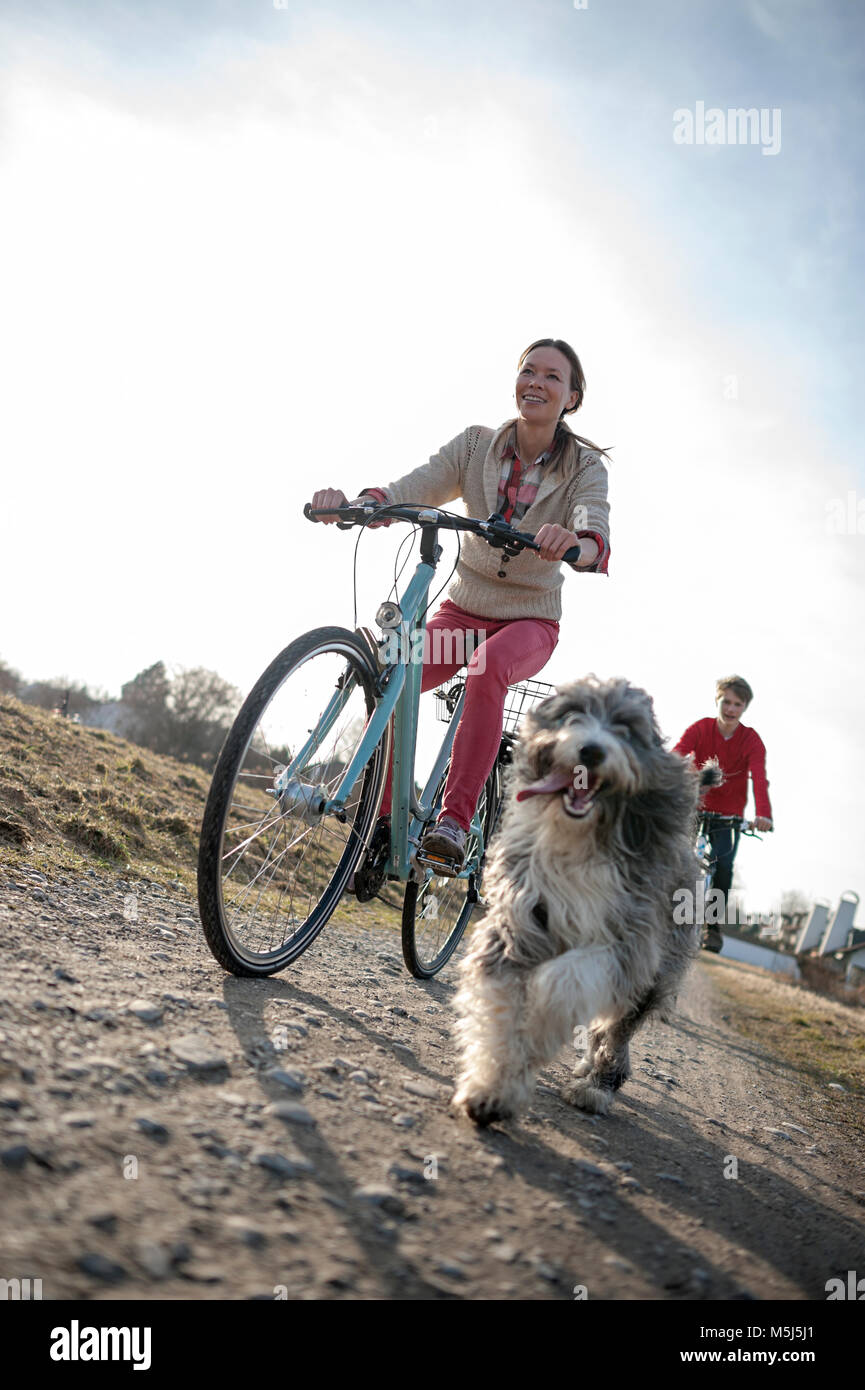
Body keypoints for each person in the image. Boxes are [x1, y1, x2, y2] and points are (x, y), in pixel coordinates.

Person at [309, 337, 611, 879]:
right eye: (528, 372)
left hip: (529, 621)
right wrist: (365, 504)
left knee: (487, 667)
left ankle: (454, 821)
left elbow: (594, 533)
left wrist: (573, 543)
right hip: (462, 615)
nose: (536, 384)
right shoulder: (476, 446)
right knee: (394, 671)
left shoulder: (584, 468)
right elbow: (419, 484)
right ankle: (383, 820)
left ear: (572, 396)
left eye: (552, 377)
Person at [674, 675, 773, 951]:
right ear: (717, 701)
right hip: (694, 805)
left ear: (744, 708)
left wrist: (763, 814)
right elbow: (677, 754)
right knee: (672, 853)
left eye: (737, 704)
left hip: (728, 815)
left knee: (724, 866)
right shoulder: (701, 729)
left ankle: (712, 928)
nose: (730, 709)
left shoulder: (751, 740)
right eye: (726, 702)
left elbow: (759, 778)